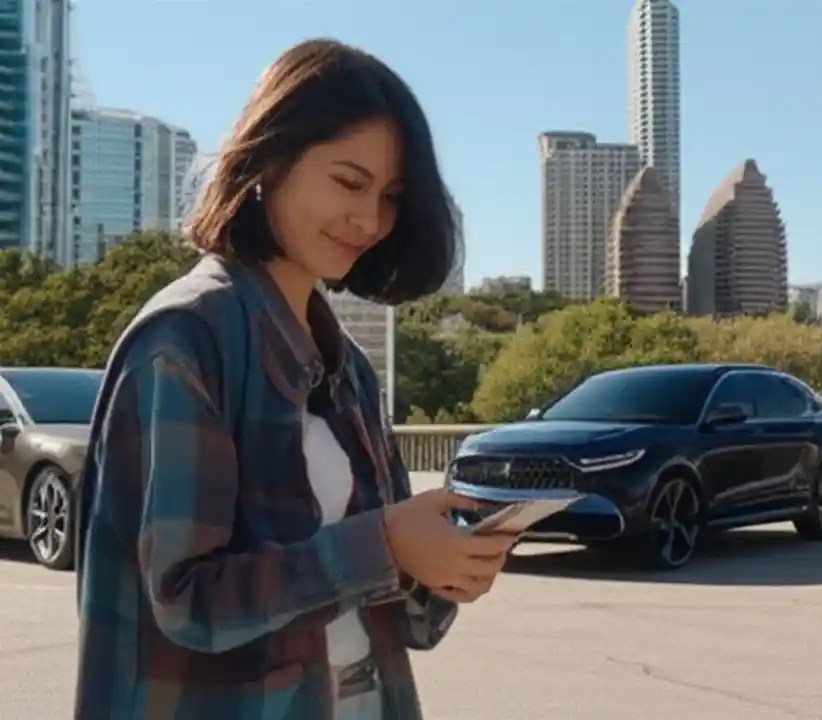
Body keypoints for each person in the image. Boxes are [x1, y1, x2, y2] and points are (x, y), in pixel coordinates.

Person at [72, 38, 517, 719]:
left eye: (391, 195)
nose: (370, 220)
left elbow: (396, 617)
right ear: (269, 159)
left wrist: (447, 567)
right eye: (349, 181)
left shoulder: (348, 370)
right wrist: (386, 541)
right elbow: (187, 603)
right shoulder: (185, 343)